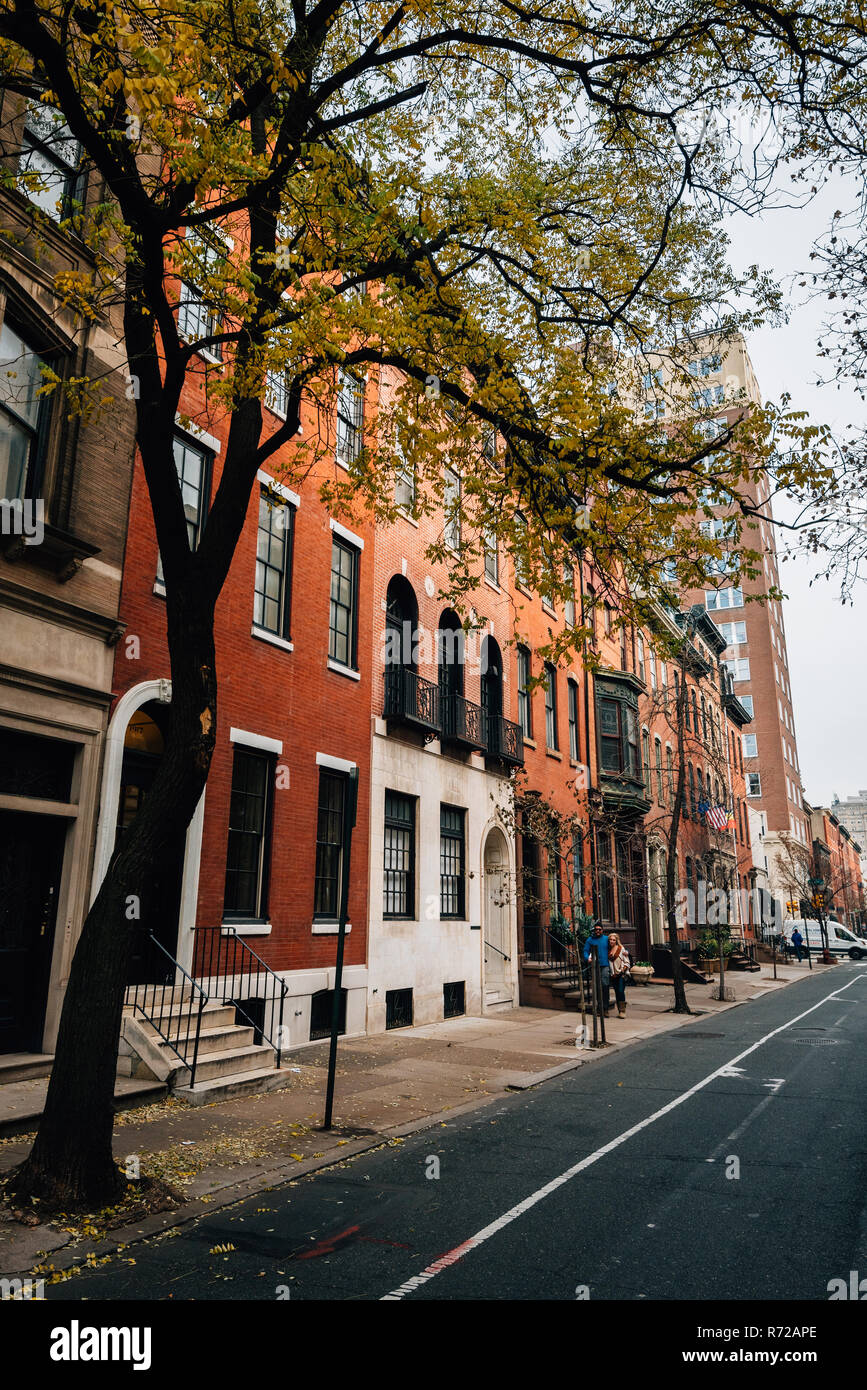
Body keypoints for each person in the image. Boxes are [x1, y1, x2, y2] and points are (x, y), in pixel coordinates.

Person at [583, 923, 612, 1013]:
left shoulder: (607, 939)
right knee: (597, 987)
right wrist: (587, 958)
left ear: (602, 930)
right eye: (596, 929)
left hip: (605, 965)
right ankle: (599, 1008)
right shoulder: (590, 940)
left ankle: (605, 1008)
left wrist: (625, 951)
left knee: (605, 985)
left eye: (599, 929)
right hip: (595, 966)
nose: (598, 931)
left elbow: (617, 946)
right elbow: (585, 951)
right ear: (594, 930)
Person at [609, 932, 631, 1017]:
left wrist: (623, 970)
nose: (612, 941)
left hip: (621, 974)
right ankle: (619, 1011)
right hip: (613, 975)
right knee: (617, 992)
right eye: (610, 939)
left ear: (616, 941)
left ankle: (622, 1011)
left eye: (613, 940)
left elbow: (627, 962)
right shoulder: (607, 950)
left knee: (621, 991)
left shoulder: (621, 948)